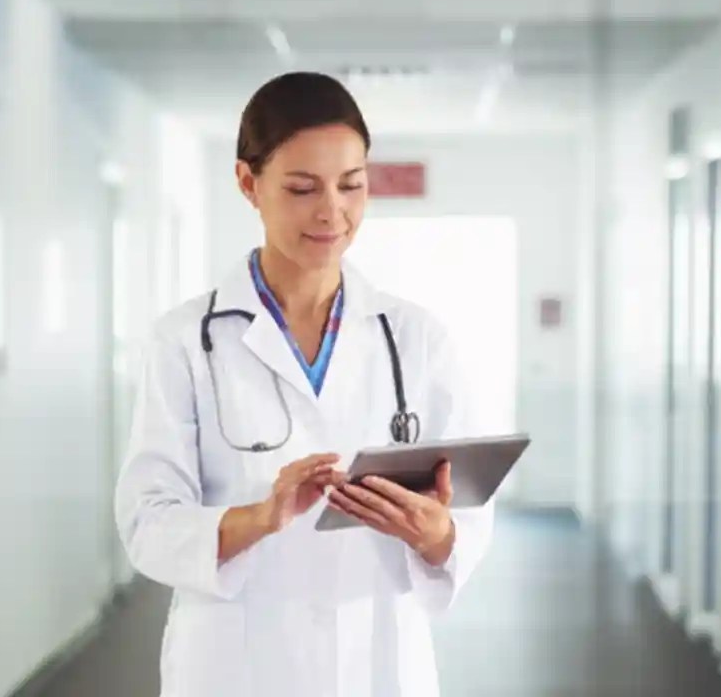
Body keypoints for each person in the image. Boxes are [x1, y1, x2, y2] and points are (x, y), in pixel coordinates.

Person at [113, 71, 494, 697]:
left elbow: (471, 510)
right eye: (301, 188)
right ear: (247, 183)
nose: (332, 212)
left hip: (379, 660)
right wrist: (260, 517)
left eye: (352, 186)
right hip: (236, 665)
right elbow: (147, 522)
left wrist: (437, 536)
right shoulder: (185, 341)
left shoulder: (416, 338)